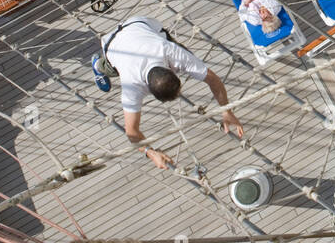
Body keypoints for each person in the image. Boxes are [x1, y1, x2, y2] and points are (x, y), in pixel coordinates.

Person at [93, 16, 243, 169]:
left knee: (187, 56)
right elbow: (131, 131)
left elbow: (213, 79)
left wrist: (227, 111)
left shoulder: (169, 50)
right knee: (111, 68)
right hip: (111, 44)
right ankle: (97, 66)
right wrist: (151, 153)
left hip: (139, 24)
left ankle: (100, 65)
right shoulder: (131, 86)